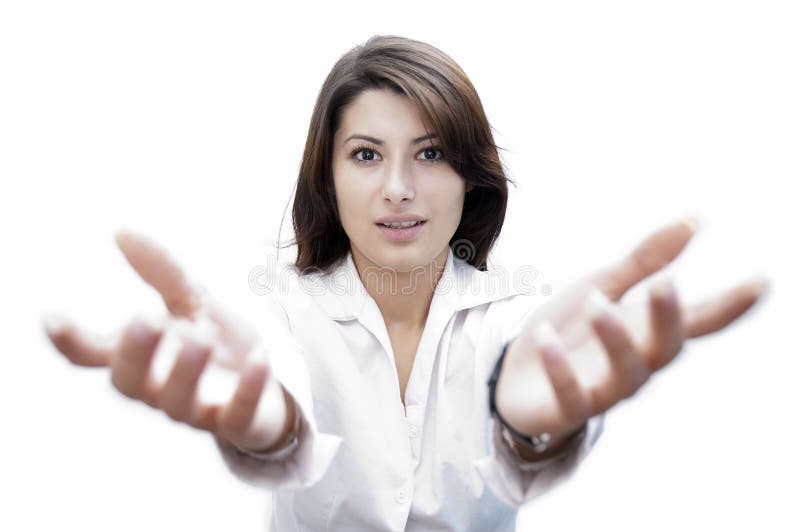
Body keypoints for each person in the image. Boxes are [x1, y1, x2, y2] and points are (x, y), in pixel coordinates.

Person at [42, 35, 768, 531]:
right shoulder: (277, 312)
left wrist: (533, 427)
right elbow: (275, 389)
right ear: (326, 177)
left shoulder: (518, 320)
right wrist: (269, 429)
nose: (397, 188)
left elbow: (540, 402)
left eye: (429, 153)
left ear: (469, 176)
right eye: (365, 154)